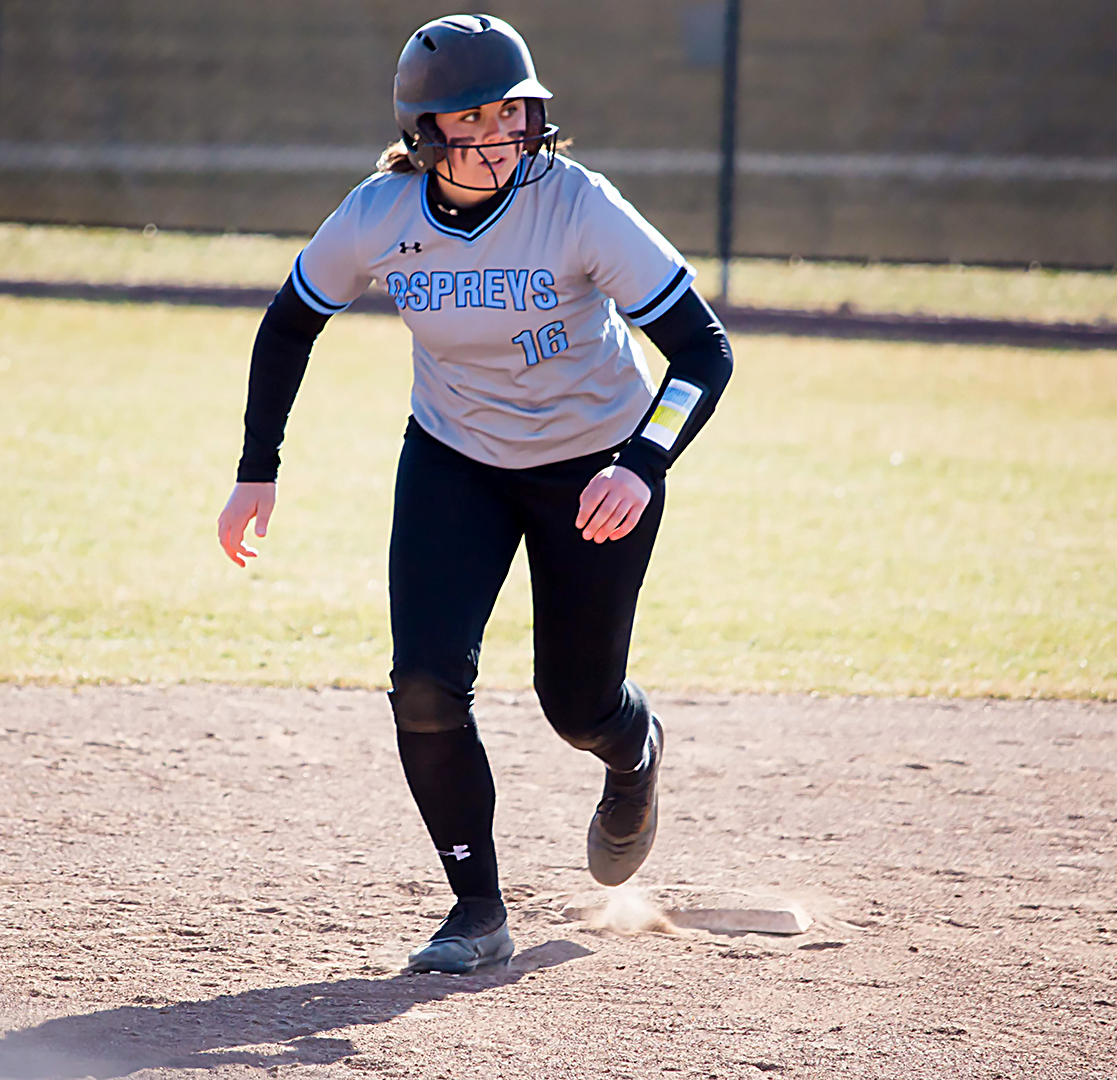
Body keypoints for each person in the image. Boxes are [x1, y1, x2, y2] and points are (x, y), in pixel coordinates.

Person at [216, 13, 732, 975]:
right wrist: (258, 468)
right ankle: (476, 910)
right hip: (455, 459)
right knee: (422, 686)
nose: (498, 135)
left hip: (595, 469)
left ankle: (633, 749)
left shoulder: (577, 203)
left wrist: (642, 462)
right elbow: (289, 325)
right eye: (471, 119)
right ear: (422, 133)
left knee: (575, 705)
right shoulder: (379, 215)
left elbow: (704, 350)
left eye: (512, 114)